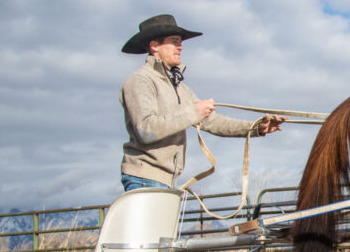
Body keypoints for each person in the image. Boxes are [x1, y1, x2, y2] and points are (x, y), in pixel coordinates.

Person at [119, 14, 282, 191]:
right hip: (145, 177)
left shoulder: (180, 88)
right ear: (154, 46)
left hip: (166, 180)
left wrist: (256, 127)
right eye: (174, 41)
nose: (180, 47)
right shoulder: (140, 81)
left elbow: (212, 121)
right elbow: (146, 130)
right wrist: (193, 112)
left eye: (180, 42)